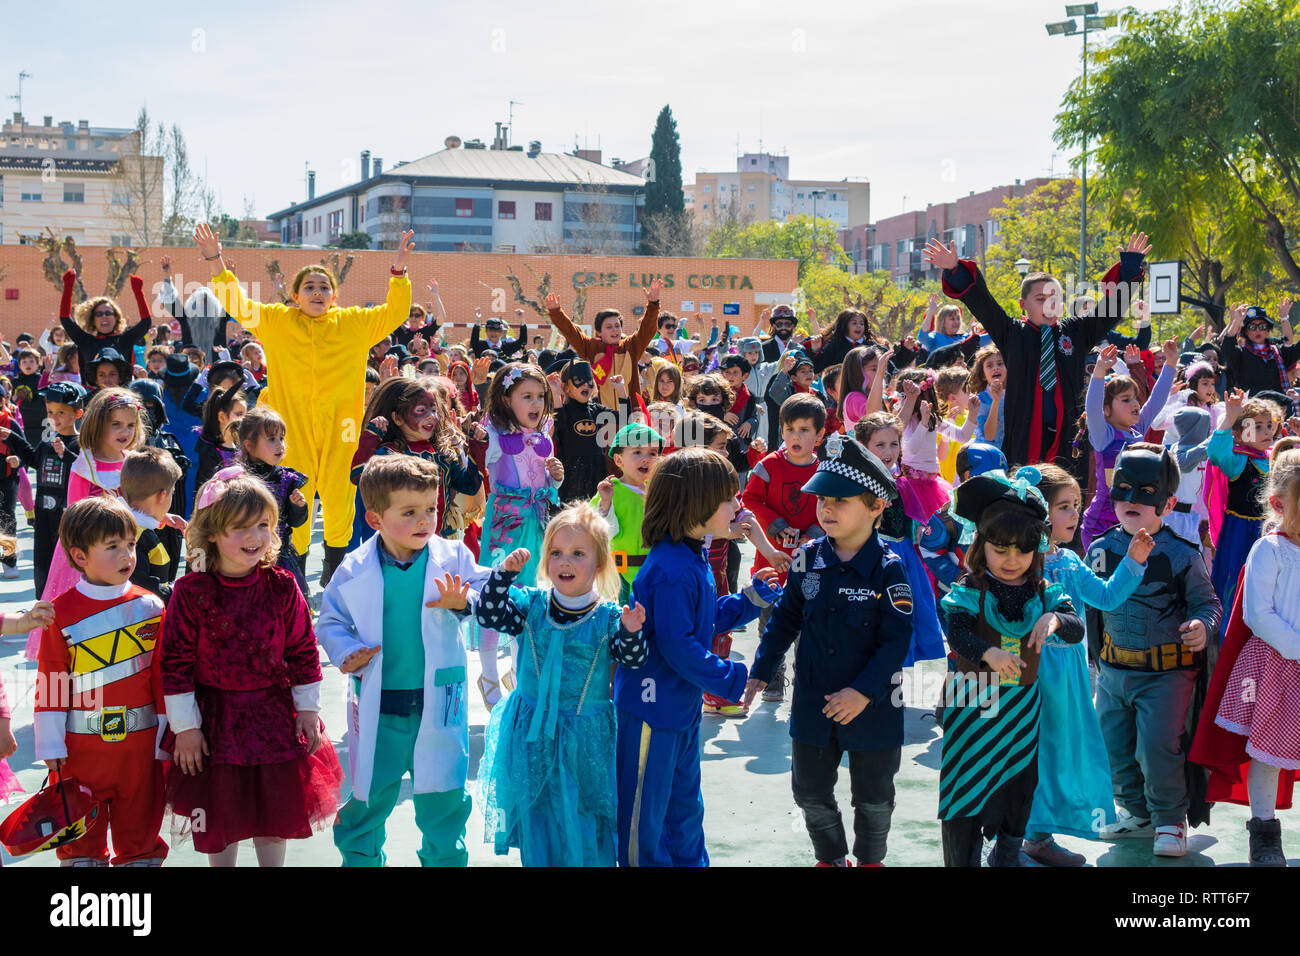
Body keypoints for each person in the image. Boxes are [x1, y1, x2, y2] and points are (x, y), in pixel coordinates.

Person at [195, 222, 415, 588]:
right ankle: (293, 579)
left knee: (340, 499)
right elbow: (237, 304)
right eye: (309, 287)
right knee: (292, 498)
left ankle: (334, 576)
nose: (317, 292)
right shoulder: (277, 320)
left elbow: (395, 312)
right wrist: (215, 260)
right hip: (291, 427)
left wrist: (399, 271)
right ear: (295, 296)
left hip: (341, 427)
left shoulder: (353, 323)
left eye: (324, 287)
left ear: (334, 295)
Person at [743, 437, 912, 866]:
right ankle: (830, 857)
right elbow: (785, 618)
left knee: (874, 799)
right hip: (814, 699)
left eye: (840, 500)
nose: (826, 509)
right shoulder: (806, 559)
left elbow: (897, 641)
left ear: (876, 506)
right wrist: (761, 668)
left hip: (873, 705)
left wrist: (863, 692)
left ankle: (870, 859)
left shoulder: (888, 568)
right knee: (810, 792)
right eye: (822, 499)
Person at [161, 469, 343, 866]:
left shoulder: (281, 585)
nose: (253, 537)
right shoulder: (192, 592)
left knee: (273, 812)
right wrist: (187, 729)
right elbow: (174, 663)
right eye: (239, 528)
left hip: (273, 717)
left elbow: (302, 649)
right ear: (211, 533)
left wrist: (309, 708)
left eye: (262, 525)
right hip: (214, 722)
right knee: (219, 813)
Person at [317, 455, 491, 866]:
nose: (424, 520)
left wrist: (464, 600)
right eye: (409, 512)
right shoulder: (354, 567)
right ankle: (361, 859)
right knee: (367, 800)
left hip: (438, 703)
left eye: (430, 509)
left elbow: (489, 599)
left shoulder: (454, 556)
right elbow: (331, 620)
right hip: (383, 709)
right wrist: (345, 652)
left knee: (445, 802)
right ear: (375, 519)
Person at [615, 448, 780, 866]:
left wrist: (749, 600)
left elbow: (698, 623)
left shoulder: (691, 556)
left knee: (685, 809)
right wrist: (733, 677)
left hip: (678, 711)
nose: (737, 507)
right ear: (696, 503)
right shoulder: (673, 567)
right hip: (652, 714)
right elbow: (678, 646)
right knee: (645, 817)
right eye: (729, 499)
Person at [474, 504, 648, 865]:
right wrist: (503, 575)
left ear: (599, 564)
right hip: (531, 731)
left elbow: (632, 660)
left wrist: (631, 632)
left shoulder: (608, 617)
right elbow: (488, 614)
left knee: (582, 816)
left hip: (585, 738)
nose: (564, 561)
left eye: (577, 554)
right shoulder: (531, 604)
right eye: (556, 552)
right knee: (537, 813)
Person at [937, 471, 1085, 867]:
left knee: (1019, 789)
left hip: (1021, 712)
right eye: (1000, 549)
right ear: (981, 545)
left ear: (1035, 550)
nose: (1011, 560)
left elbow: (1075, 628)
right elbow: (957, 636)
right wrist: (988, 653)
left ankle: (1006, 858)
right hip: (970, 707)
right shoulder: (969, 588)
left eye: (1021, 550)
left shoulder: (1044, 592)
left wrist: (1054, 621)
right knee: (965, 791)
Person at [1085, 443, 1222, 857]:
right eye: (1123, 490)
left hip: (1166, 676)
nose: (1132, 501)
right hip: (1112, 673)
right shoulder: (1101, 549)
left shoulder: (1182, 553)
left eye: (1145, 493)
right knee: (1114, 744)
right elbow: (1090, 607)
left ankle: (1168, 820)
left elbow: (1207, 602)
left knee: (1159, 745)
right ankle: (1137, 814)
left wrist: (1202, 625)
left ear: (1168, 502)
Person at [1016, 463, 1152, 865]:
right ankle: (1019, 834)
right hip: (1032, 678)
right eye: (1064, 506)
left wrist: (1133, 561)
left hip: (1071, 679)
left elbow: (1107, 598)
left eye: (1077, 505)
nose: (1075, 514)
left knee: (1064, 753)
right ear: (1038, 512)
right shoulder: (1021, 562)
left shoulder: (1072, 563)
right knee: (1032, 752)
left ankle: (1037, 836)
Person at [925, 232, 1152, 466]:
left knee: (1067, 492)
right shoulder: (1012, 332)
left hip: (1069, 436)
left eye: (1055, 297)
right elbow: (983, 303)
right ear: (1023, 305)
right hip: (1024, 436)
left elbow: (1110, 309)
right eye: (1040, 298)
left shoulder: (1076, 331)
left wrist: (1130, 267)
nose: (1049, 304)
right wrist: (955, 269)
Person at [33, 496, 169, 866]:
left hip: (141, 750)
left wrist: (167, 737)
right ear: (79, 556)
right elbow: (52, 680)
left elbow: (161, 678)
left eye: (130, 544)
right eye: (112, 547)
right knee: (81, 846)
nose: (127, 555)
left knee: (141, 837)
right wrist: (51, 746)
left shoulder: (152, 607)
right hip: (80, 752)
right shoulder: (59, 613)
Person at [1190, 449, 1300, 866]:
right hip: (1274, 667)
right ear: (1278, 504)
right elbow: (1258, 614)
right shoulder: (1270, 551)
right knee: (1267, 754)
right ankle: (1265, 833)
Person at [23, 388, 151, 660]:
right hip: (86, 552)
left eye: (130, 424)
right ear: (98, 424)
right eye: (116, 423)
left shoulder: (131, 463)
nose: (124, 431)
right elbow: (75, 513)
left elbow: (139, 506)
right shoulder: (86, 465)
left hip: (123, 549)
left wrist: (160, 518)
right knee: (79, 616)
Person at [476, 363, 564, 709]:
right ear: (505, 398)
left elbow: (547, 483)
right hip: (504, 525)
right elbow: (479, 454)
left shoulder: (546, 436)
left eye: (540, 396)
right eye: (526, 396)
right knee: (495, 592)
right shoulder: (494, 436)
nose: (536, 403)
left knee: (530, 595)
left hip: (537, 524)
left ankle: (516, 667)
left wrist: (556, 476)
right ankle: (486, 672)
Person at [742, 393, 826, 702]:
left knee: (808, 623)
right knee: (771, 621)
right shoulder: (768, 465)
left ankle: (804, 675)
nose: (795, 436)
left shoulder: (825, 470)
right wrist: (776, 524)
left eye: (805, 430)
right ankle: (772, 677)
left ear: (819, 435)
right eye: (789, 429)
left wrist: (813, 534)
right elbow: (749, 500)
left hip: (811, 561)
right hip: (771, 560)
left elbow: (828, 506)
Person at [1077, 341, 1179, 547]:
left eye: (1135, 398)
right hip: (1103, 523)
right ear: (1106, 409)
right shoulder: (1103, 435)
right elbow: (1093, 407)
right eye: (1126, 399)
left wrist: (1171, 364)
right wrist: (1099, 370)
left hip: (1137, 517)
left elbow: (1156, 401)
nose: (1135, 403)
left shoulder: (1137, 430)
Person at [1208, 390, 1281, 628]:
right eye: (1257, 426)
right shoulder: (1239, 461)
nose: (1267, 432)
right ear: (1238, 435)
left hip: (1269, 533)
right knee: (1237, 581)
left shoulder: (1274, 459)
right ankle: (1231, 630)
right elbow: (1216, 452)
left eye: (1270, 425)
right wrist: (1230, 417)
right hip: (1240, 533)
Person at [544, 281, 663, 410]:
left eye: (617, 326)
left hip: (630, 414)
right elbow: (572, 332)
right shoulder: (592, 347)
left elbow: (647, 330)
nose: (615, 330)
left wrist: (653, 304)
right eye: (609, 327)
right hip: (601, 417)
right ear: (599, 332)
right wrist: (556, 312)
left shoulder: (631, 346)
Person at [238, 407, 309, 593]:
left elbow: (296, 522)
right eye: (271, 439)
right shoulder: (238, 479)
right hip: (244, 555)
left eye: (281, 438)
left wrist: (298, 507)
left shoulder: (287, 479)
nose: (280, 445)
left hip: (279, 557)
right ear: (249, 445)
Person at [594, 422, 664, 603]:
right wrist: (605, 502)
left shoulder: (658, 490)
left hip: (654, 570)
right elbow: (599, 532)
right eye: (637, 452)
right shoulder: (610, 490)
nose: (646, 458)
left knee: (651, 621)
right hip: (619, 575)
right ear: (619, 460)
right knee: (622, 622)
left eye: (653, 453)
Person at [26, 382, 85, 595]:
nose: (54, 417)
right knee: (43, 557)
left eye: (61, 412)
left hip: (67, 514)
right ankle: (43, 598)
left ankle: (66, 600)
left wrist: (65, 455)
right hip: (43, 512)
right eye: (50, 412)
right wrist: (12, 440)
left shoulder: (81, 443)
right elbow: (34, 460)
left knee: (67, 560)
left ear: (77, 414)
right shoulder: (47, 441)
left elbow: (85, 470)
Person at [57, 269, 152, 387]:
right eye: (99, 314)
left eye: (108, 313)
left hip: (121, 397)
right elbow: (65, 319)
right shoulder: (85, 341)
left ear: (116, 317)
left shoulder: (125, 339)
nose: (104, 317)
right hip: (93, 399)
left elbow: (146, 322)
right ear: (93, 320)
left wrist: (138, 292)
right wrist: (68, 287)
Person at [552, 360, 627, 503]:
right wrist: (556, 394)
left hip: (596, 470)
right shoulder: (564, 411)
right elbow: (559, 425)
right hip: (571, 471)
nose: (586, 384)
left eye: (589, 380)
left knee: (596, 511)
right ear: (566, 388)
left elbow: (624, 418)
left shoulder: (597, 410)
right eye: (579, 380)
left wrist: (621, 390)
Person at [120, 447, 185, 604]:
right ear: (162, 496)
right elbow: (144, 590)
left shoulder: (122, 523)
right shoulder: (137, 536)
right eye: (172, 493)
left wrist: (161, 518)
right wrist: (179, 590)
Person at [1216, 302, 1300, 396]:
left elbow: (1289, 342)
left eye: (1262, 326)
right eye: (1252, 327)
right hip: (1252, 407)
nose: (1257, 330)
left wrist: (1284, 318)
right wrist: (1236, 321)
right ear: (1245, 331)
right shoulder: (1240, 354)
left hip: (1279, 407)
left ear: (1268, 330)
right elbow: (1227, 347)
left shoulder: (1278, 352)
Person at [192, 385, 247, 495]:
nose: (244, 420)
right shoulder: (209, 452)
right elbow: (205, 492)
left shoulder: (241, 447)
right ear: (222, 417)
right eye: (239, 414)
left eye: (246, 415)